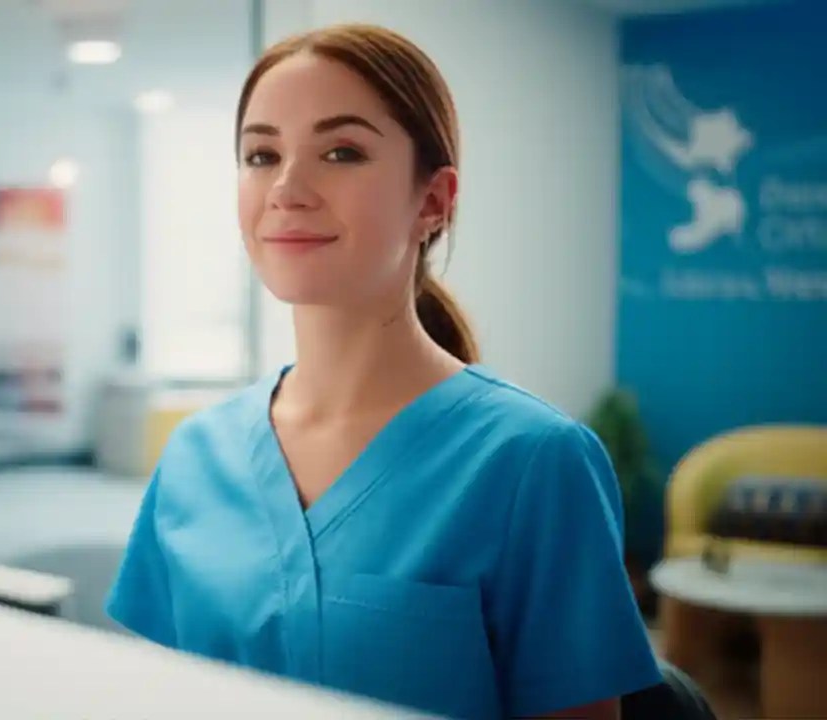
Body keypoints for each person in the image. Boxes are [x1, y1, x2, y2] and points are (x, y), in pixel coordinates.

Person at [106, 23, 661, 720]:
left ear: (432, 200)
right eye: (260, 154)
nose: (287, 186)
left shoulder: (533, 463)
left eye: (341, 152)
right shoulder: (196, 454)